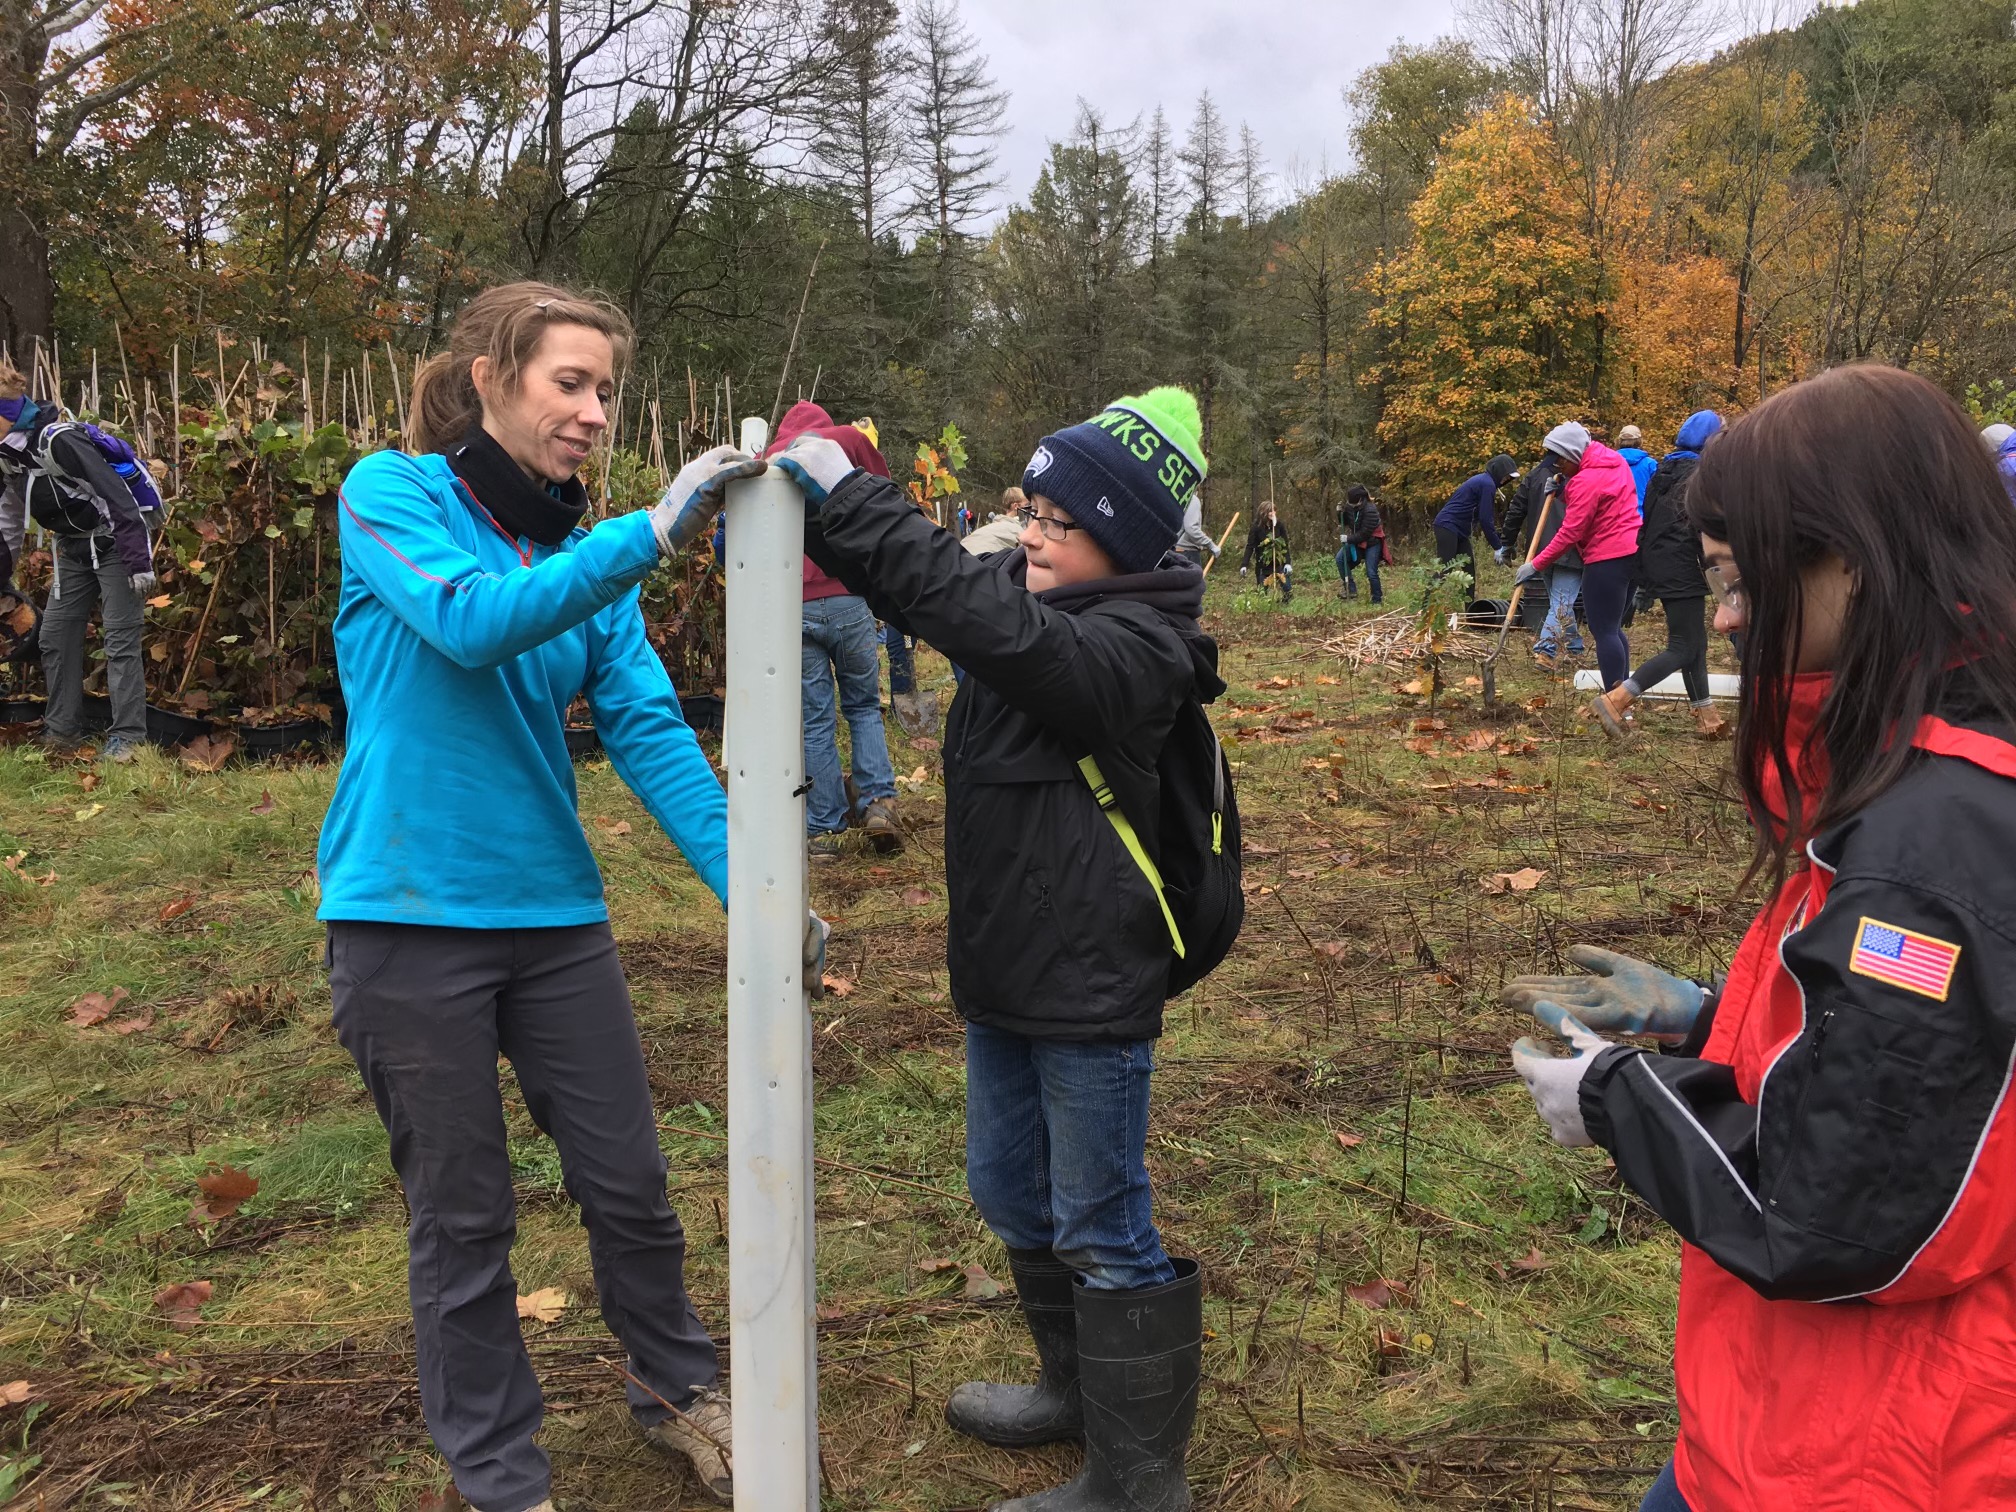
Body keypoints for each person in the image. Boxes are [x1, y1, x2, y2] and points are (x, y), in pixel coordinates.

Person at [1505, 363, 2016, 1512]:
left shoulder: (1931, 854)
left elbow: (1832, 1209)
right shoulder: (1923, 777)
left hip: (1880, 1450)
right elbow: (1916, 1062)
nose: (1726, 615)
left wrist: (1614, 1100)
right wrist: (1705, 1011)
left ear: (1850, 559)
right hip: (1805, 1410)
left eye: (1740, 580)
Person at [320, 281, 773, 1512]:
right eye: (568, 382)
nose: (592, 412)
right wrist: (647, 534)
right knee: (463, 1221)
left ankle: (678, 1391)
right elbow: (467, 625)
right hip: (405, 920)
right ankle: (499, 1474)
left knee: (628, 1181)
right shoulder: (393, 495)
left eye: (606, 392)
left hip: (557, 921)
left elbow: (650, 733)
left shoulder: (587, 565)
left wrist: (759, 888)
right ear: (489, 378)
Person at [773, 386, 1213, 1512]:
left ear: (1122, 536)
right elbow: (949, 602)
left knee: (1102, 1220)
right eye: (1029, 509)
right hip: (1009, 972)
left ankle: (1137, 1479)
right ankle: (1074, 1393)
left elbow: (985, 626)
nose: (1030, 532)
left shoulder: (1137, 647)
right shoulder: (1046, 615)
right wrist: (823, 514)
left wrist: (856, 496)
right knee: (1008, 1192)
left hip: (1092, 982)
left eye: (1057, 520)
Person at [0, 360, 157, 761]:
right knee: (54, 637)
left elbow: (119, 498)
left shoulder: (59, 442)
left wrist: (139, 561)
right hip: (72, 547)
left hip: (116, 543)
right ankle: (61, 732)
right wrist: (3, 578)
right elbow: (8, 521)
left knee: (119, 640)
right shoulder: (7, 456)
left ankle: (128, 740)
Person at [773, 403, 903, 860]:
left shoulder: (769, 459)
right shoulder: (847, 442)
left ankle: (824, 829)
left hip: (796, 604)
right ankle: (877, 806)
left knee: (815, 720)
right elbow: (884, 496)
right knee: (864, 705)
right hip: (849, 597)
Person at [1591, 410, 1729, 740]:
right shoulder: (1703, 474)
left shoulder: (1664, 469)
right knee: (1683, 645)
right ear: (1710, 441)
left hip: (1663, 563)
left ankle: (1706, 717)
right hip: (1684, 565)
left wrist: (1646, 578)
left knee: (1694, 643)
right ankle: (1616, 699)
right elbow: (1709, 526)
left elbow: (1647, 523)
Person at [1514, 423, 1639, 693]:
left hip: (1606, 559)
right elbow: (1599, 500)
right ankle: (1624, 698)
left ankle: (1616, 703)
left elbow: (1570, 532)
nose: (1558, 469)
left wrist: (1535, 564)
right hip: (1632, 553)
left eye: (1560, 462)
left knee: (1604, 631)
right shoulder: (1613, 461)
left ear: (1570, 455)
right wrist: (1562, 491)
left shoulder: (1585, 480)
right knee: (1614, 628)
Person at [1501, 446, 1585, 664]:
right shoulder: (1580, 476)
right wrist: (1506, 545)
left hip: (1548, 550)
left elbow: (1515, 511)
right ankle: (1547, 652)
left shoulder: (1536, 475)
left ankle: (1572, 646)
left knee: (1560, 602)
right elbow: (1517, 508)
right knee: (1561, 602)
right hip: (1567, 551)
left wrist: (1507, 543)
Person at [1433, 453, 1515, 586]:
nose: (1505, 479)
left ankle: (1471, 607)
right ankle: (1426, 604)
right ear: (1498, 472)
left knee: (1469, 573)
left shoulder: (1487, 483)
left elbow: (1482, 516)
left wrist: (1501, 541)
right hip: (1447, 525)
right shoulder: (1487, 483)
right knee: (1444, 569)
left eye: (1509, 478)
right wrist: (1497, 547)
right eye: (1505, 476)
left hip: (1460, 530)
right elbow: (1485, 518)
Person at [1336, 483, 1385, 603]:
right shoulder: (1350, 506)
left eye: (1352, 502)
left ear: (1360, 500)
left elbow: (1365, 534)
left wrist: (1348, 539)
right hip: (1357, 542)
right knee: (1340, 559)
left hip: (1372, 543)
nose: (1350, 505)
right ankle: (1351, 589)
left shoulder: (1370, 510)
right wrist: (1340, 513)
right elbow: (1345, 521)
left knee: (1371, 572)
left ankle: (1377, 600)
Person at [1241, 499, 1293, 600]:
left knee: (1288, 591)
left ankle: (1282, 606)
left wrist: (1287, 563)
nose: (1273, 513)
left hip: (1279, 564)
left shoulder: (1279, 525)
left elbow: (1285, 545)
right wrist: (1244, 565)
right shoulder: (1256, 527)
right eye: (1270, 511)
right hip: (1263, 566)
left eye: (1274, 511)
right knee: (1262, 595)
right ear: (1263, 512)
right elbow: (1250, 547)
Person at [1616, 423, 1656, 511]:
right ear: (1640, 441)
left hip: (1615, 518)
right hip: (1642, 517)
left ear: (1619, 441)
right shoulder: (1650, 464)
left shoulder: (1610, 462)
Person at [1174, 490, 1218, 569]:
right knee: (1194, 581)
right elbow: (1191, 528)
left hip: (1175, 550)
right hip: (1188, 552)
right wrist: (1211, 545)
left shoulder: (1178, 497)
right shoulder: (1192, 500)